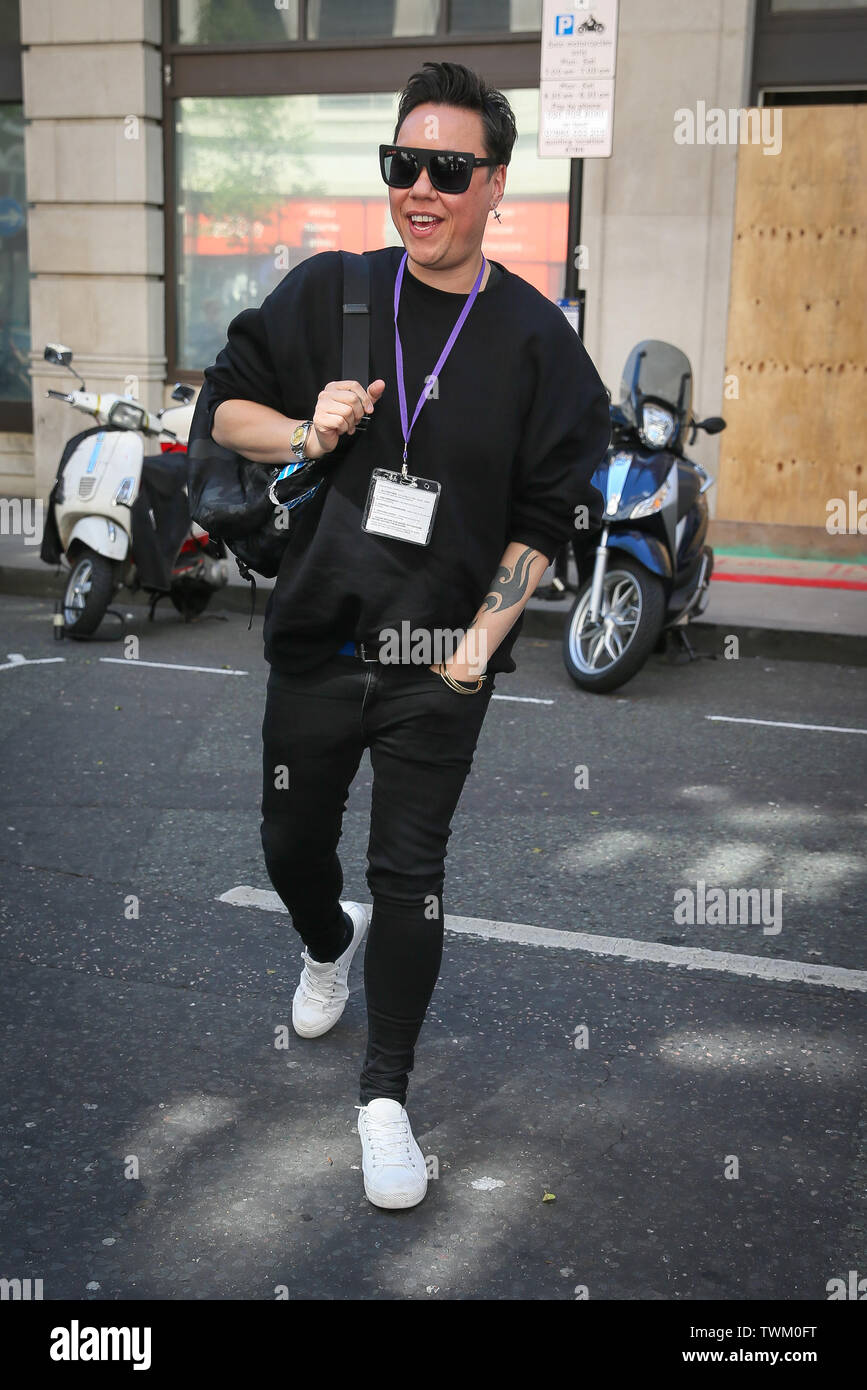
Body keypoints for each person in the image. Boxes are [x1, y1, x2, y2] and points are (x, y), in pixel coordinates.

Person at [203, 61, 611, 1210]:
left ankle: (384, 1098)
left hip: (441, 660)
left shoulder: (536, 341)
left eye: (447, 168)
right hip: (319, 643)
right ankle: (322, 940)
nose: (420, 188)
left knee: (412, 875)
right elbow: (222, 408)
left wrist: (483, 640)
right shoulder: (332, 289)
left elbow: (546, 517)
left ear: (496, 184)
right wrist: (305, 427)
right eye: (403, 164)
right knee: (292, 842)